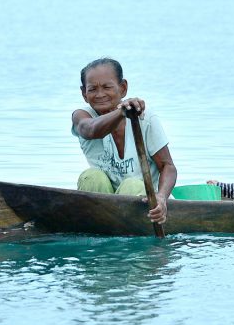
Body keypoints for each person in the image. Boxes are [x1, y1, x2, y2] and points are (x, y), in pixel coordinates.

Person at [71, 57, 177, 224]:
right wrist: (121, 112)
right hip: (105, 205)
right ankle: (99, 228)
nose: (100, 95)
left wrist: (162, 197)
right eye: (92, 89)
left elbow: (168, 166)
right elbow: (90, 130)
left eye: (107, 87)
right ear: (84, 93)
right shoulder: (82, 116)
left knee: (132, 186)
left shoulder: (145, 118)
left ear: (123, 88)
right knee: (91, 177)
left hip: (145, 203)